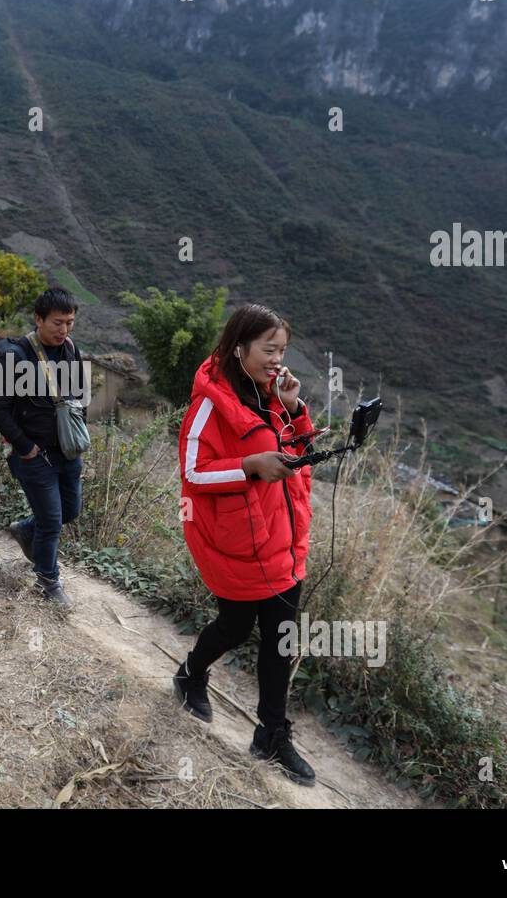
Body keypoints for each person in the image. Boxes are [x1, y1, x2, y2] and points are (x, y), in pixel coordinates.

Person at [174, 303, 318, 785]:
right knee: (234, 627)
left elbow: (298, 458)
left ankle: (272, 734)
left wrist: (295, 409)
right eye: (268, 350)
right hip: (236, 542)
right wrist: (249, 466)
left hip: (284, 538)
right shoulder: (209, 404)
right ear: (239, 349)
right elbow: (193, 472)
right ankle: (191, 673)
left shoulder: (272, 395)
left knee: (281, 640)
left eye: (283, 351)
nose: (277, 360)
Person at [0, 286, 88, 610]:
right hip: (35, 456)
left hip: (67, 452)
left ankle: (25, 530)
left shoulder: (71, 349)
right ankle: (48, 580)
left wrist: (77, 433)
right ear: (38, 319)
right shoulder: (15, 356)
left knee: (70, 511)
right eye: (57, 322)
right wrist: (25, 447)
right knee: (52, 521)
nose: (64, 329)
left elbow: (78, 397)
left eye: (69, 322)